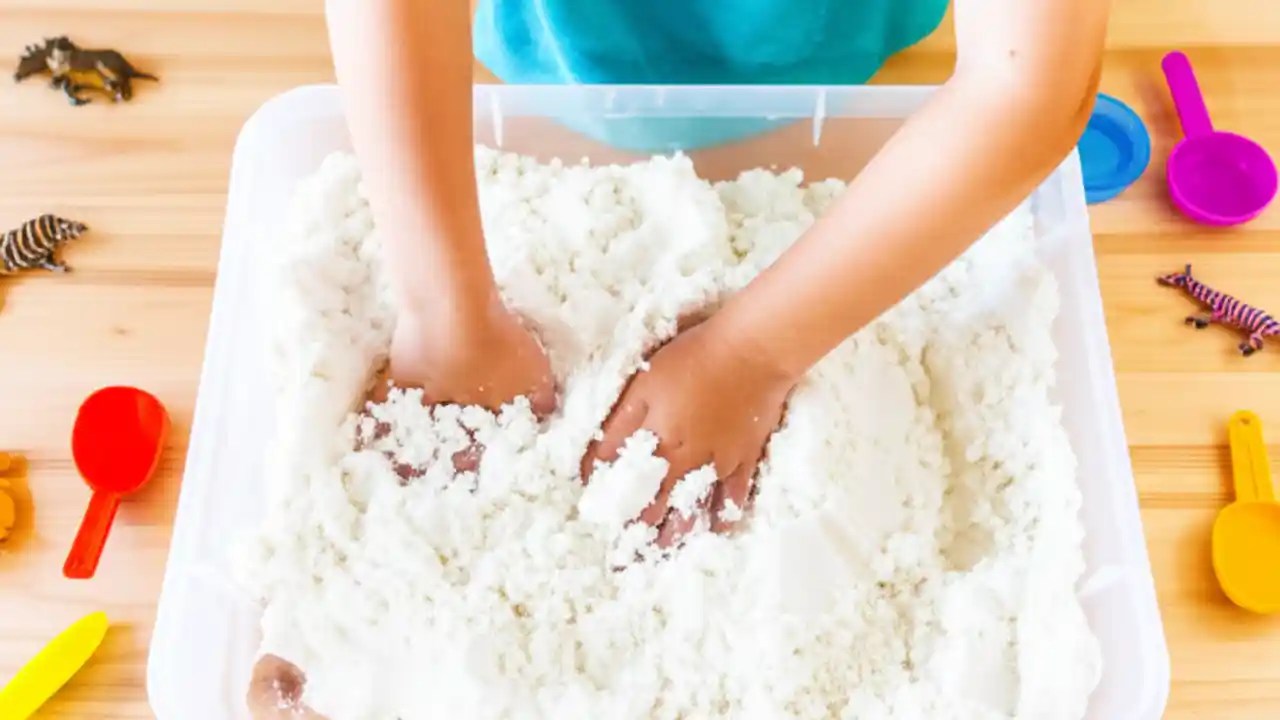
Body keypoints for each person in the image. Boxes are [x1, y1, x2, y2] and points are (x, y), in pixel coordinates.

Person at [250, 0, 1109, 716]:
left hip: (854, 59)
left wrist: (754, 352)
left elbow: (1026, 81)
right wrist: (443, 306)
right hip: (519, 59)